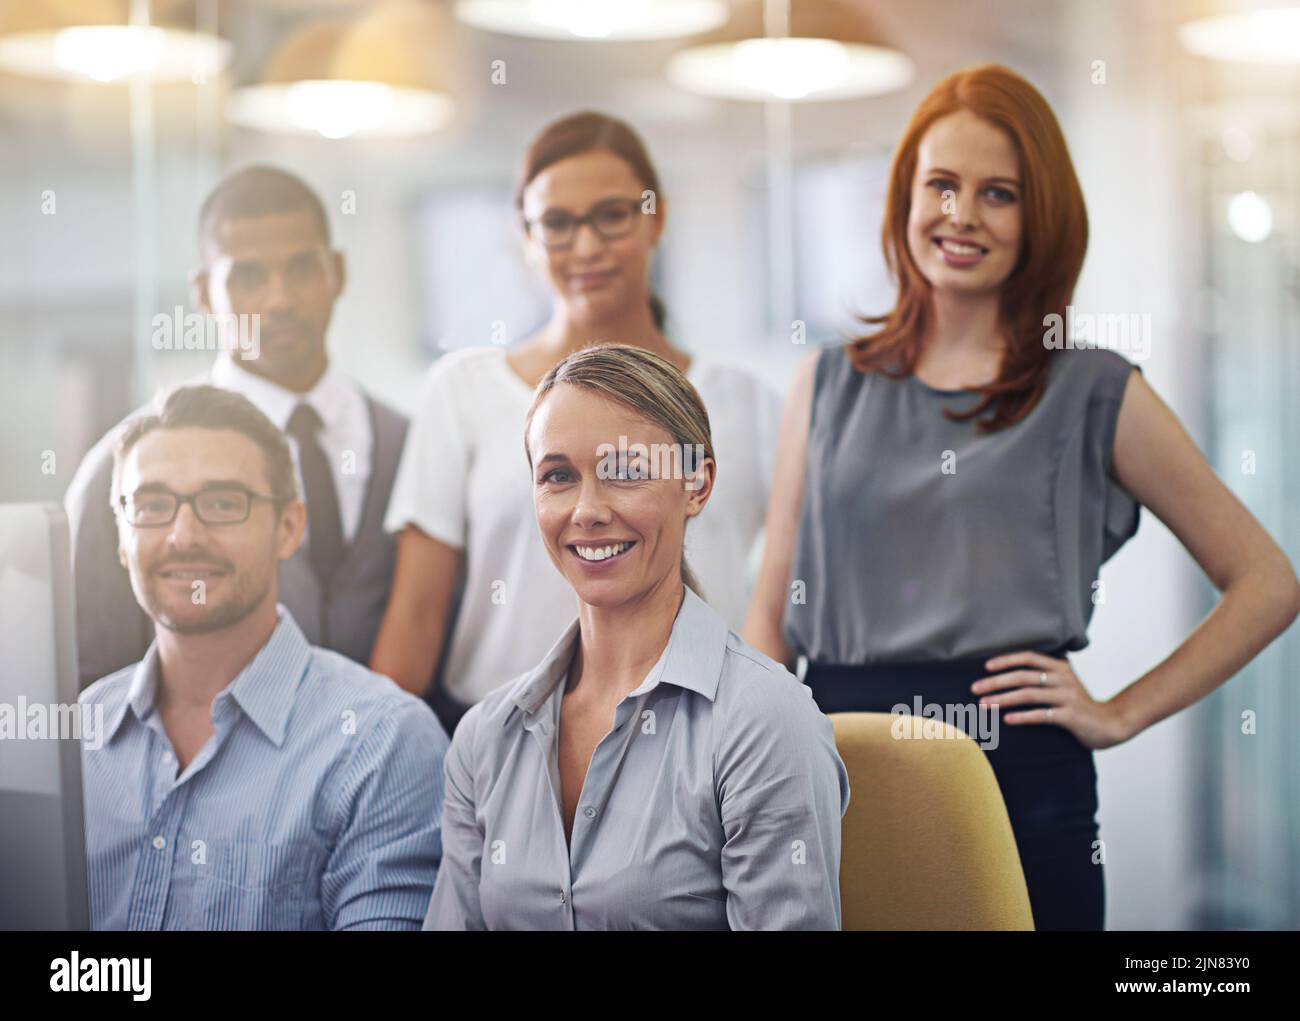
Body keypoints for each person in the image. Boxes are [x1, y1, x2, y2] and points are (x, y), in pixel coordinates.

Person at [743, 63, 1300, 931]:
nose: (962, 214)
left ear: (1038, 219)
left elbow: (1268, 580)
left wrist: (1120, 712)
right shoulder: (827, 381)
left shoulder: (1095, 391)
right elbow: (770, 617)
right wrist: (744, 775)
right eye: (942, 185)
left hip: (1019, 780)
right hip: (832, 769)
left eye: (997, 193)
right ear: (905, 197)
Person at [372, 112, 779, 731]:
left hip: (700, 738)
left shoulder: (744, 402)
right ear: (527, 237)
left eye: (612, 216)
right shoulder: (463, 390)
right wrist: (367, 758)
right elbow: (416, 613)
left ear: (656, 217)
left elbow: (785, 606)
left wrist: (762, 727)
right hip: (497, 740)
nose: (586, 247)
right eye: (558, 224)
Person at [424, 345, 848, 930]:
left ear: (696, 484)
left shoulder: (763, 721)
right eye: (558, 476)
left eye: (625, 471)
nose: (587, 510)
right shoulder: (484, 738)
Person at [79, 385, 446, 930]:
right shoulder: (78, 736)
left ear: (289, 527)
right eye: (153, 505)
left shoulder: (382, 744)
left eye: (223, 503)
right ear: (121, 535)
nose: (184, 536)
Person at [65, 165, 408, 688]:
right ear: (202, 293)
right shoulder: (126, 470)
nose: (279, 300)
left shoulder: (412, 445)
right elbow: (94, 680)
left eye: (301, 269)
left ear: (336, 272)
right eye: (248, 276)